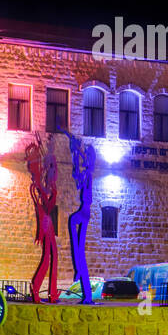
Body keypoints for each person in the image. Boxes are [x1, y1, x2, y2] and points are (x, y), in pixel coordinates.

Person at [65, 130, 96, 304]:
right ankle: (79, 269)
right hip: (84, 213)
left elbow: (83, 172)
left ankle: (78, 268)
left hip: (85, 213)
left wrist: (79, 151)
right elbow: (77, 175)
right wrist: (76, 153)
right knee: (80, 251)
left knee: (71, 221)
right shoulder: (86, 176)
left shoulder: (89, 175)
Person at [27, 140, 59, 303]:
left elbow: (50, 204)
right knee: (47, 258)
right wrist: (52, 191)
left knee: (54, 256)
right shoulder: (37, 187)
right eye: (50, 167)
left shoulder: (42, 186)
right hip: (46, 224)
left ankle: (52, 292)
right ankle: (37, 288)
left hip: (49, 224)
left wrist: (52, 188)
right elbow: (47, 206)